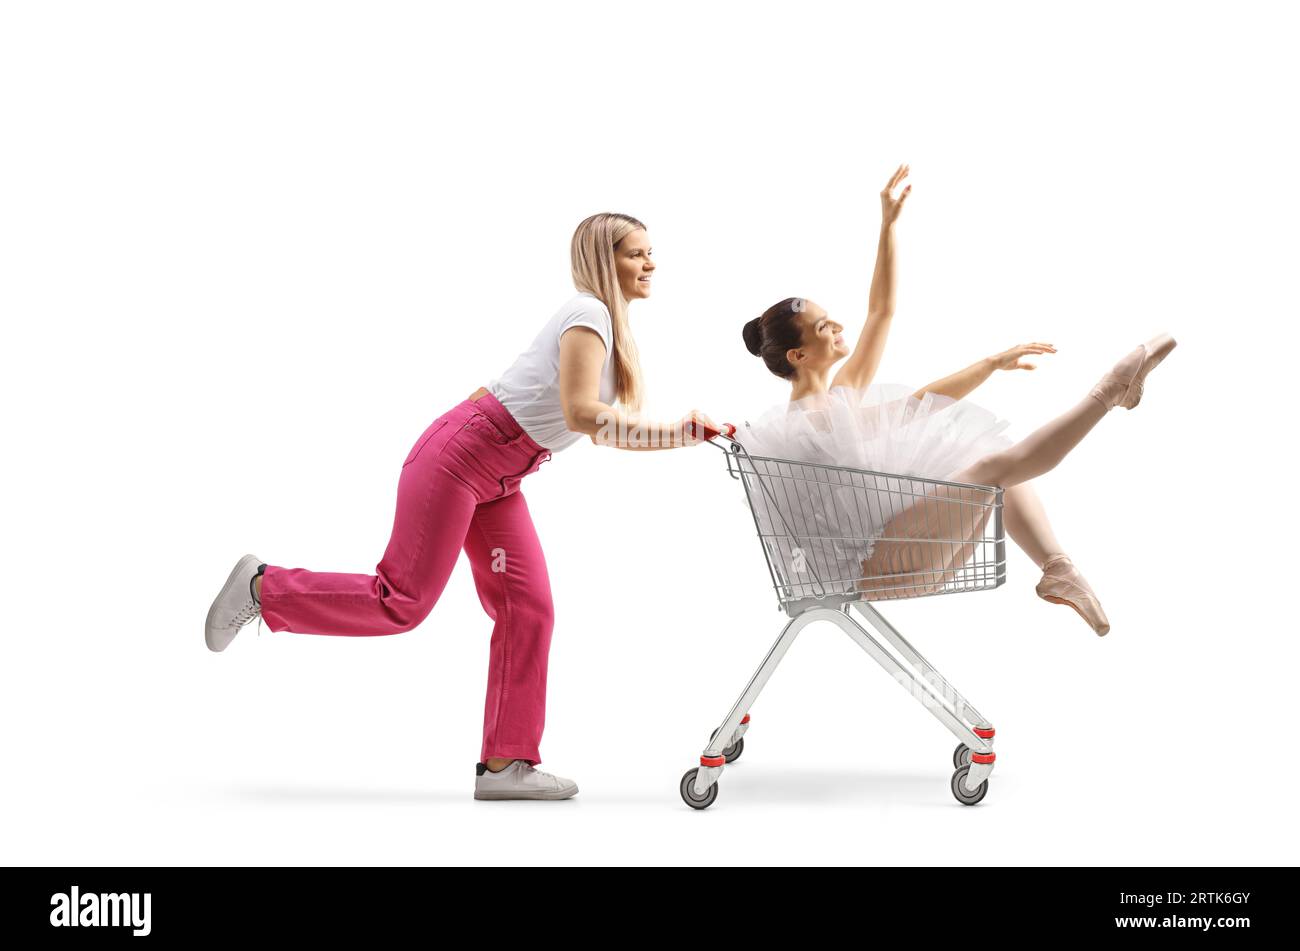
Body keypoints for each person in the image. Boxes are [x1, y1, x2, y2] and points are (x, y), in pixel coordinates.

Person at [204, 213, 722, 800]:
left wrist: (681, 435)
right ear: (605, 260)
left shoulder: (608, 327)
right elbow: (582, 414)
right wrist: (673, 429)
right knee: (401, 601)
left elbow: (596, 430)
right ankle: (262, 588)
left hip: (502, 471)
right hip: (463, 456)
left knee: (529, 608)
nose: (650, 263)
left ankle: (506, 767)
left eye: (651, 252)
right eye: (636, 253)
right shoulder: (589, 313)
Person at [736, 165, 1176, 635]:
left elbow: (881, 314)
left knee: (985, 457)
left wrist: (887, 227)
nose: (839, 328)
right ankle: (1109, 392)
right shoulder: (807, 423)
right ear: (799, 355)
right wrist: (988, 365)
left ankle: (1057, 567)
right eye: (825, 328)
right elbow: (914, 405)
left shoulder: (838, 396)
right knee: (991, 469)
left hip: (906, 551)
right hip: (873, 569)